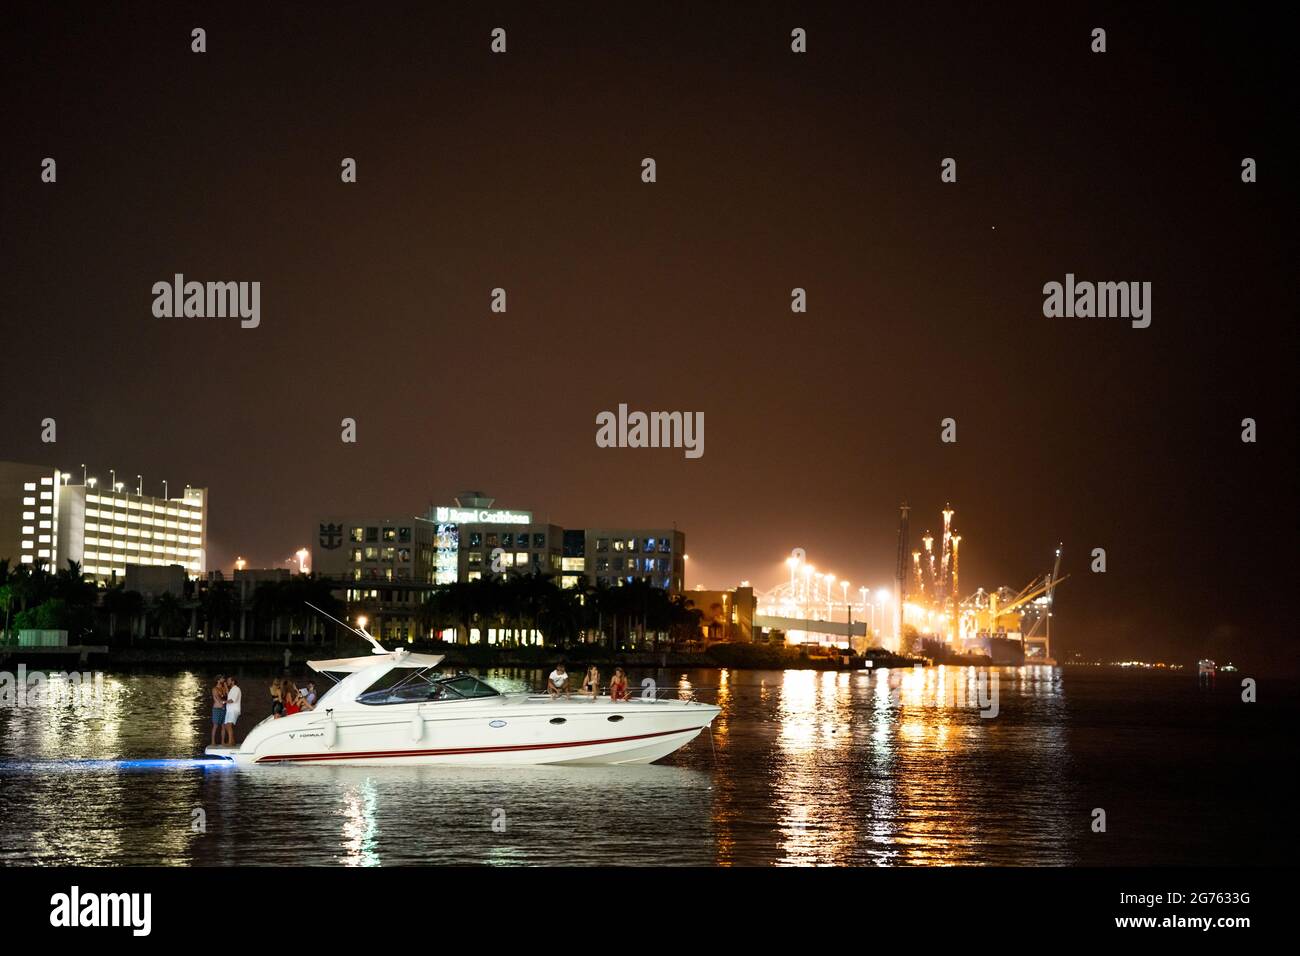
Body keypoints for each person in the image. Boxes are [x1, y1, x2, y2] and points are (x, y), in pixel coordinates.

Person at [222, 676, 242, 746]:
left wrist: (223, 702)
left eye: (228, 680)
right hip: (229, 710)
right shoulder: (232, 689)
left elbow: (232, 700)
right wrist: (225, 685)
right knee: (226, 725)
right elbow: (228, 694)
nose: (227, 682)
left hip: (234, 710)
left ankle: (230, 743)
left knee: (229, 725)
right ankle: (232, 742)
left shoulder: (236, 689)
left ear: (233, 681)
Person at [211, 676, 227, 746]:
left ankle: (223, 742)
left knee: (223, 725)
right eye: (222, 678)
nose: (224, 679)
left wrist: (226, 686)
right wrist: (226, 702)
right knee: (215, 725)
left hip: (224, 709)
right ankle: (213, 742)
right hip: (217, 709)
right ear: (218, 680)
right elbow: (218, 699)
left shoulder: (223, 688)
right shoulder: (214, 689)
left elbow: (227, 694)